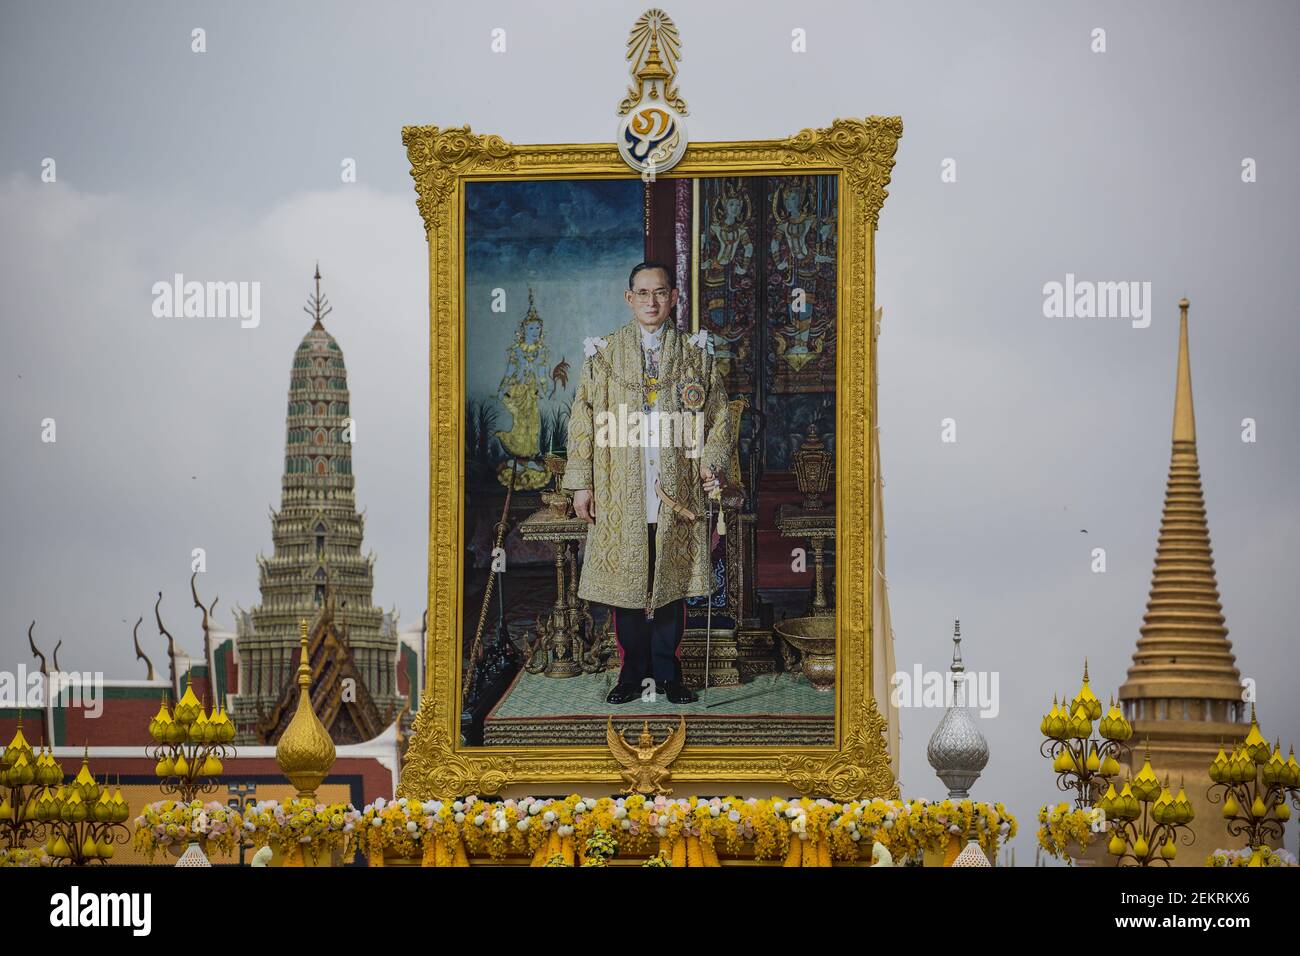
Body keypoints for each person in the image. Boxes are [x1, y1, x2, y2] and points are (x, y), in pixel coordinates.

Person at [562, 261, 731, 705]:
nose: (651, 302)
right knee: (629, 586)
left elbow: (719, 417)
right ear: (629, 298)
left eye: (660, 293)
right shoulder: (604, 354)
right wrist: (582, 483)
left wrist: (711, 462)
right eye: (642, 293)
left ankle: (669, 673)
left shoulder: (696, 355)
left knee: (671, 583)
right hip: (622, 489)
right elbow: (582, 420)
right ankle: (631, 673)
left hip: (678, 491)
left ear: (673, 297)